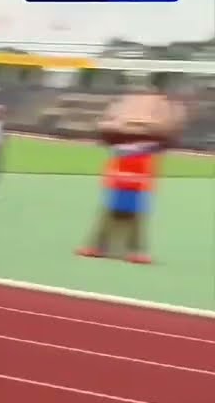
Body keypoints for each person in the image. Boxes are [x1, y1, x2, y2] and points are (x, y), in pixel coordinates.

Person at [75, 76, 184, 263]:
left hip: (138, 178)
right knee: (110, 213)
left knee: (135, 216)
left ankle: (136, 251)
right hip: (121, 175)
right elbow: (108, 130)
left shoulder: (156, 127)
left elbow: (166, 133)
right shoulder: (124, 128)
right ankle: (98, 246)